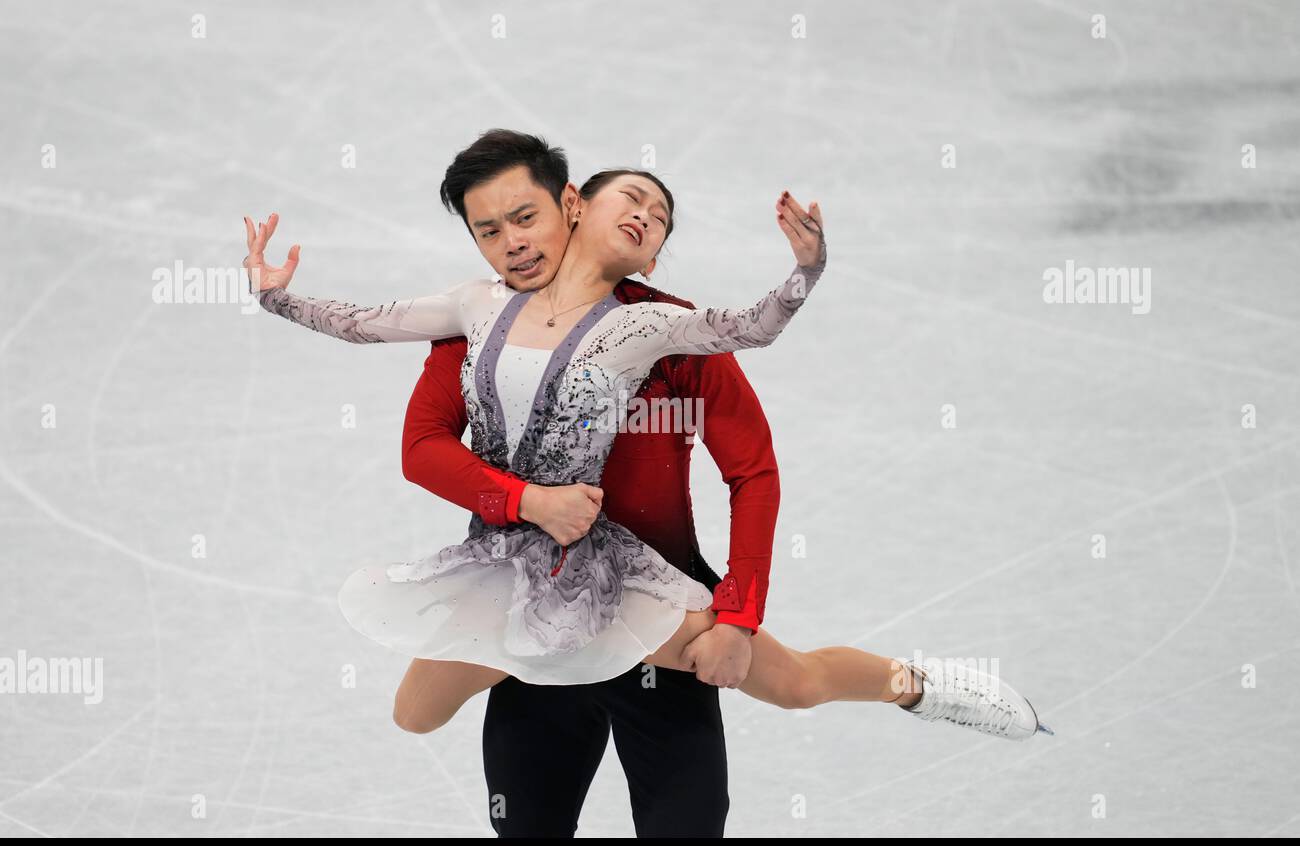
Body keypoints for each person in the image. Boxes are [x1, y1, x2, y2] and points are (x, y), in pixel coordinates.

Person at [243, 154, 1052, 757]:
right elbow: (365, 322)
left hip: (597, 569)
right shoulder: (475, 303)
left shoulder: (652, 324)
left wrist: (807, 269)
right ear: (575, 206)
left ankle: (917, 684)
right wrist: (274, 294)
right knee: (412, 713)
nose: (644, 214)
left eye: (658, 216)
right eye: (630, 197)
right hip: (498, 556)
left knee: (792, 682)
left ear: (655, 255)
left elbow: (753, 328)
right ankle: (546, 656)